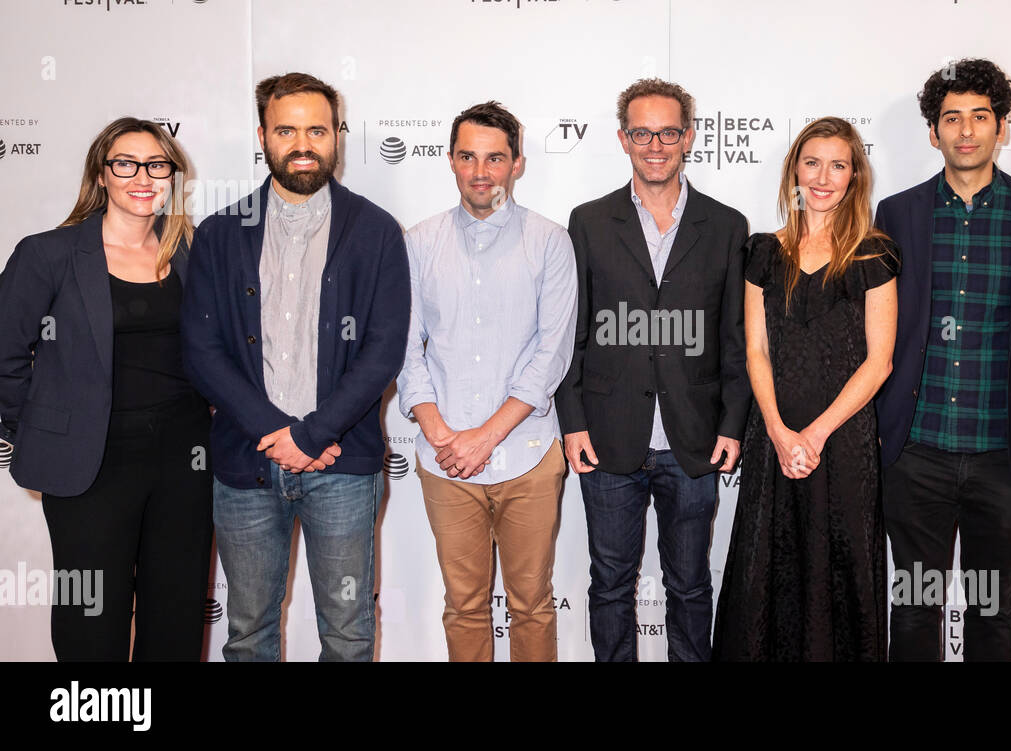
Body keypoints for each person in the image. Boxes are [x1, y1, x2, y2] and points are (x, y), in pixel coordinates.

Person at [181, 72, 410, 661]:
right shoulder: (219, 234)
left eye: (317, 129)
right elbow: (203, 352)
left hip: (344, 465)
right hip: (244, 465)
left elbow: (382, 349)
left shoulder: (377, 231)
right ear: (263, 135)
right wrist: (274, 433)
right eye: (287, 129)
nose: (302, 142)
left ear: (338, 135)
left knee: (348, 630)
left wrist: (311, 435)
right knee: (250, 631)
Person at [873, 58, 1011, 661]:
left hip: (1006, 455)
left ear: (1002, 126)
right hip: (915, 451)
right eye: (951, 119)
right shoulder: (897, 215)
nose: (966, 131)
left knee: (994, 609)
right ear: (933, 133)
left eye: (979, 117)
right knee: (914, 607)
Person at [0, 117, 212, 661]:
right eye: (126, 163)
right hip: (90, 465)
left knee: (177, 611)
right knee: (90, 619)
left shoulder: (189, 251)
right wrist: (44, 430)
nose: (142, 176)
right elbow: (3, 355)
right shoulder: (48, 254)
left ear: (172, 176)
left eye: (157, 164)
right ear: (101, 173)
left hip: (183, 461)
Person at [556, 78, 750, 662]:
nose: (656, 145)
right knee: (611, 585)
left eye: (668, 132)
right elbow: (573, 332)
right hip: (608, 438)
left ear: (688, 136)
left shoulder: (726, 226)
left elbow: (734, 340)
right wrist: (572, 420)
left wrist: (732, 424)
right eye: (642, 132)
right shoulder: (588, 222)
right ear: (623, 138)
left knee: (689, 585)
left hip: (693, 441)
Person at [712, 117, 898, 661]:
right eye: (812, 162)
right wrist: (777, 430)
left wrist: (813, 436)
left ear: (854, 177)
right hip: (774, 440)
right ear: (794, 169)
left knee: (842, 568)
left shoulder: (873, 255)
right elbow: (756, 351)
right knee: (766, 568)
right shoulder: (763, 251)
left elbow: (879, 361)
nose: (823, 177)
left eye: (838, 165)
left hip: (842, 442)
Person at [397, 101, 577, 662]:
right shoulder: (418, 241)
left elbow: (551, 354)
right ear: (449, 160)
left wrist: (484, 437)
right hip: (443, 456)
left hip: (527, 453)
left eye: (495, 158)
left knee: (532, 605)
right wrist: (443, 434)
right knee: (464, 605)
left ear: (517, 163)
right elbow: (404, 349)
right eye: (468, 157)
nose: (481, 171)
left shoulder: (550, 241)